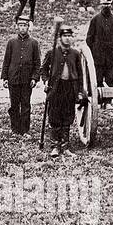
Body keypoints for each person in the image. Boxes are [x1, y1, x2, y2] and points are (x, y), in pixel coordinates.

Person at [41, 24, 83, 155]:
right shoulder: (52, 53)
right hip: (56, 88)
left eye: (70, 36)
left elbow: (80, 74)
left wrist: (80, 91)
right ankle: (55, 146)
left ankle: (65, 147)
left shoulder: (75, 54)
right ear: (60, 38)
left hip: (70, 88)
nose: (67, 39)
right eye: (65, 36)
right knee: (55, 116)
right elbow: (43, 69)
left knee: (67, 116)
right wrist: (46, 80)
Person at [0, 17, 42, 135]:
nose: (23, 28)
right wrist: (5, 78)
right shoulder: (11, 43)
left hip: (27, 80)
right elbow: (6, 61)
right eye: (20, 26)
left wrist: (34, 78)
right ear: (17, 27)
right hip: (13, 79)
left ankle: (25, 130)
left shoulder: (34, 43)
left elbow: (37, 63)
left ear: (28, 27)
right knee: (14, 105)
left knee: (25, 105)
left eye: (25, 26)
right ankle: (15, 129)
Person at [84, 0, 113, 87]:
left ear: (111, 4)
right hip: (98, 56)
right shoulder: (95, 20)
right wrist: (93, 53)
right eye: (104, 4)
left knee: (110, 80)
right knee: (98, 80)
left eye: (108, 4)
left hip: (111, 56)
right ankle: (99, 100)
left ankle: (108, 101)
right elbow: (89, 38)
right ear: (101, 4)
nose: (106, 6)